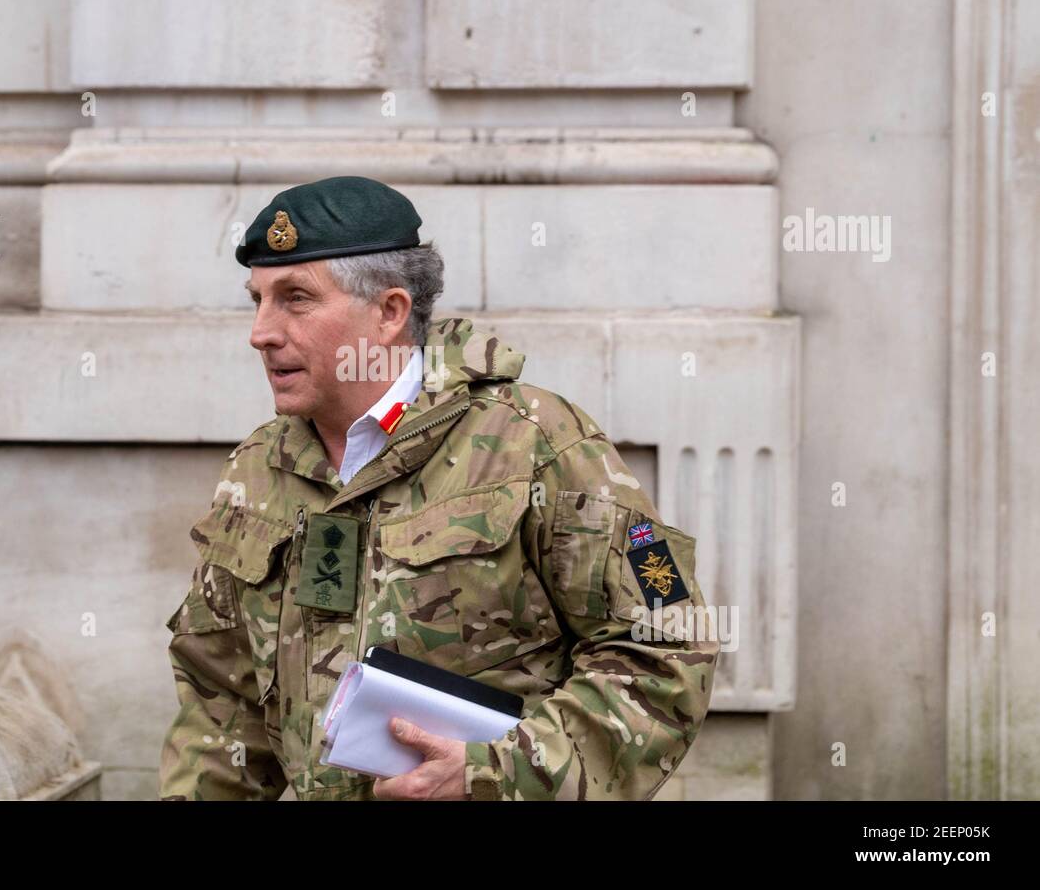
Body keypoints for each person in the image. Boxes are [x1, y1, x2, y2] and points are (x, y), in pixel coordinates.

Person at [159, 175, 719, 800]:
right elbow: (220, 705)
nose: (261, 332)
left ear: (390, 312)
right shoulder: (258, 470)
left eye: (295, 299)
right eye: (258, 300)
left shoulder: (539, 443)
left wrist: (493, 774)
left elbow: (665, 647)